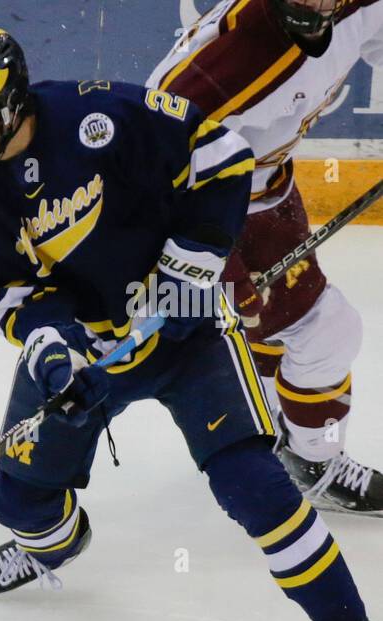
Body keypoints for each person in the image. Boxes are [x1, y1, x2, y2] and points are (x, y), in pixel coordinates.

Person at [0, 26, 382, 621]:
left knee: (256, 487)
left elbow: (220, 152)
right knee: (17, 504)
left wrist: (189, 267)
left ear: (14, 104)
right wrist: (53, 348)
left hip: (185, 336)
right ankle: (55, 546)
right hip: (87, 352)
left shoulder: (96, 118)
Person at [150, 0, 383, 514]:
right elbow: (152, 168)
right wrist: (217, 265)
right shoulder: (234, 61)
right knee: (327, 330)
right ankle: (313, 467)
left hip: (267, 185)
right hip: (203, 206)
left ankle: (279, 432)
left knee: (288, 328)